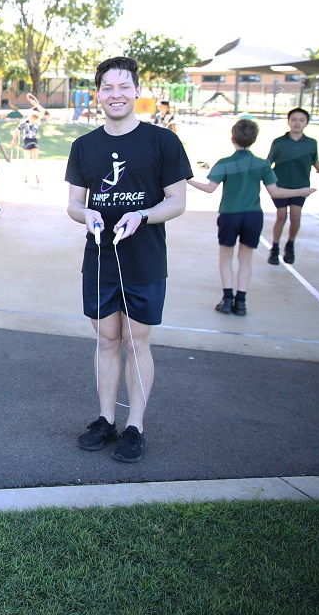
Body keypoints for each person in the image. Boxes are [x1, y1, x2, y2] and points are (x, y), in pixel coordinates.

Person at [65, 56, 191, 464]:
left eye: (123, 86)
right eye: (107, 87)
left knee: (137, 343)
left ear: (137, 90)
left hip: (145, 259)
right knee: (105, 340)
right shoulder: (84, 146)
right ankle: (105, 419)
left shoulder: (162, 141)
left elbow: (177, 201)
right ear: (97, 94)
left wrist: (142, 215)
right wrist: (88, 214)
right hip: (100, 258)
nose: (115, 94)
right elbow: (73, 204)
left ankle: (135, 424)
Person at [188, 119, 314, 316]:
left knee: (226, 255)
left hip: (230, 215)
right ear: (254, 139)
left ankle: (227, 299)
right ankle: (242, 302)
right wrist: (300, 191)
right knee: (246, 258)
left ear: (232, 138)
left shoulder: (224, 163)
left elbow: (209, 188)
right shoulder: (262, 164)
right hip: (253, 216)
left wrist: (187, 178)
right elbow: (275, 192)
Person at [267, 108, 319, 265]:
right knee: (281, 215)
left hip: (300, 185)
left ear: (306, 123)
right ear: (288, 121)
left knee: (296, 216)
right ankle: (275, 247)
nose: (297, 123)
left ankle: (290, 245)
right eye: (294, 119)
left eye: (301, 120)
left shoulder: (311, 143)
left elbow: (315, 161)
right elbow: (268, 162)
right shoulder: (279, 143)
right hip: (281, 185)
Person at [11, 93, 49, 186]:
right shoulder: (25, 122)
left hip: (34, 141)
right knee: (26, 159)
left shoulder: (36, 122)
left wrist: (36, 105)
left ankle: (36, 175)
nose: (35, 120)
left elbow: (42, 111)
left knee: (35, 159)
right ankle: (25, 176)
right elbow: (17, 130)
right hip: (27, 141)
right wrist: (14, 141)